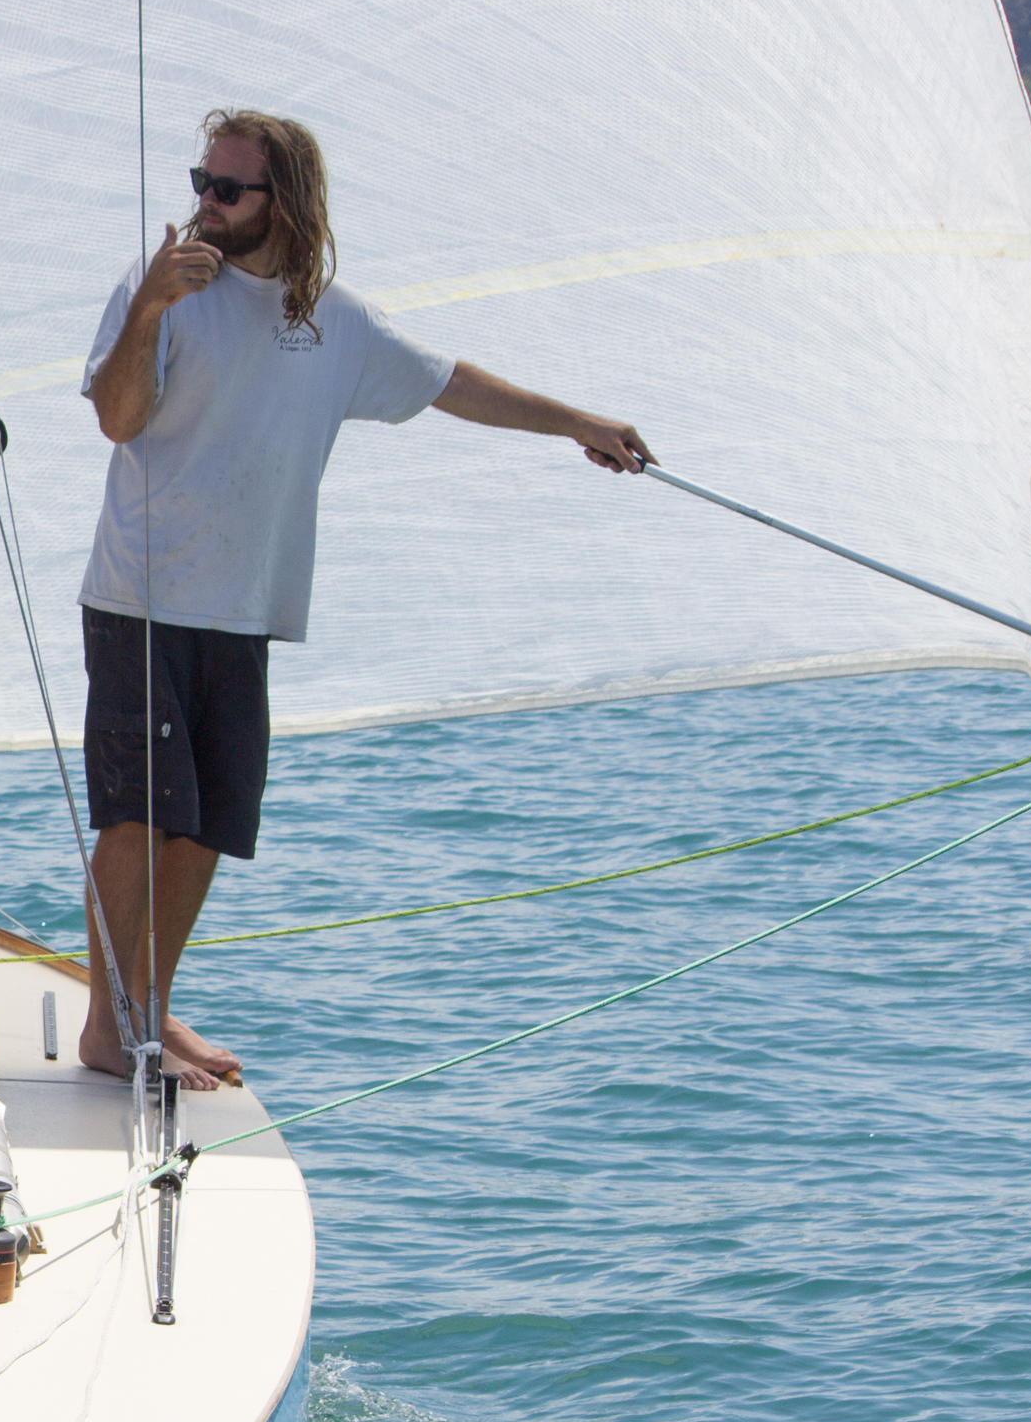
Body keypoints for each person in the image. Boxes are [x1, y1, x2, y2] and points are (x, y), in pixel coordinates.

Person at [77, 108, 653, 1089]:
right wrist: (150, 313)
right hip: (141, 593)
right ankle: (107, 1025)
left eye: (228, 189)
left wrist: (575, 423)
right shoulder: (162, 286)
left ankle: (152, 1007)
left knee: (207, 822)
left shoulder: (330, 322)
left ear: (285, 202)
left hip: (244, 605)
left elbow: (446, 382)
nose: (204, 205)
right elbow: (118, 417)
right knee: (138, 815)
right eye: (201, 182)